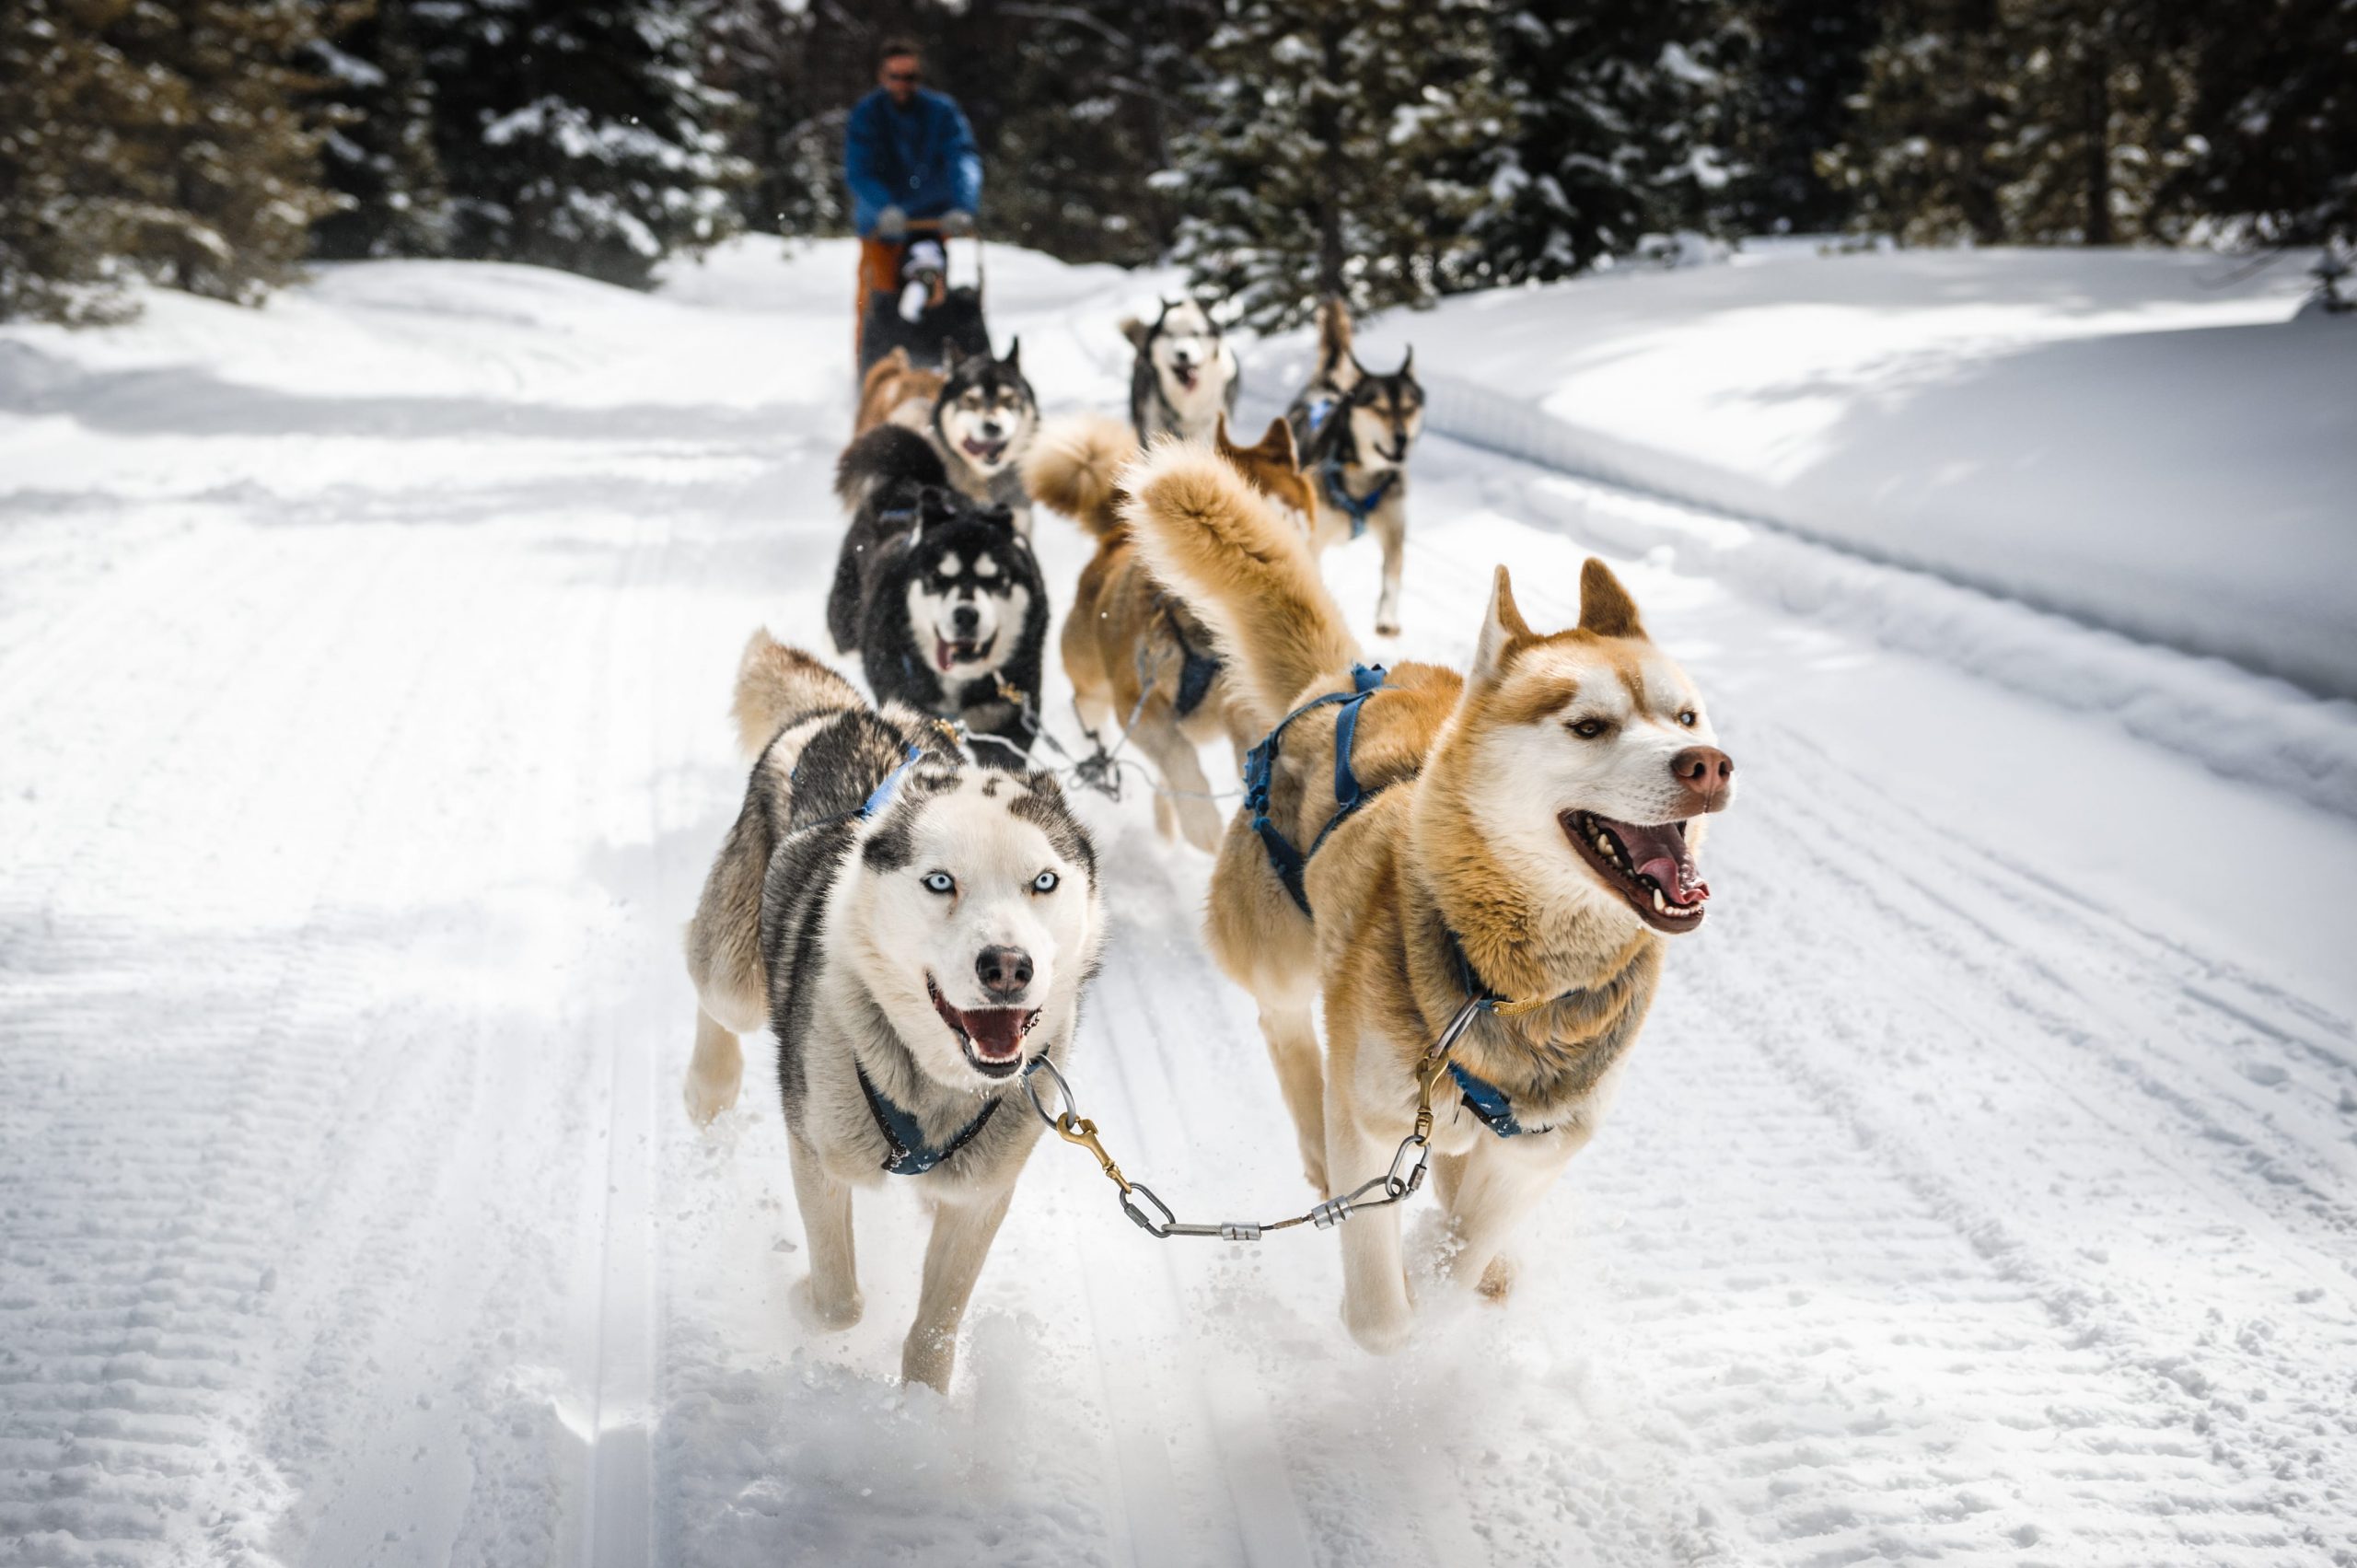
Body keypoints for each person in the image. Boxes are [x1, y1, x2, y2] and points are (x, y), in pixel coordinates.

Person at [845, 38, 982, 360]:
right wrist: (883, 206)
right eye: (895, 77)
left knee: (935, 296)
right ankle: (872, 372)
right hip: (881, 228)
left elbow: (962, 158)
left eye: (910, 77)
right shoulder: (867, 114)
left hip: (930, 223)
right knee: (876, 303)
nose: (902, 85)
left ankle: (931, 364)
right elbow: (858, 170)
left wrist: (964, 205)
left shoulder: (942, 112)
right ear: (882, 76)